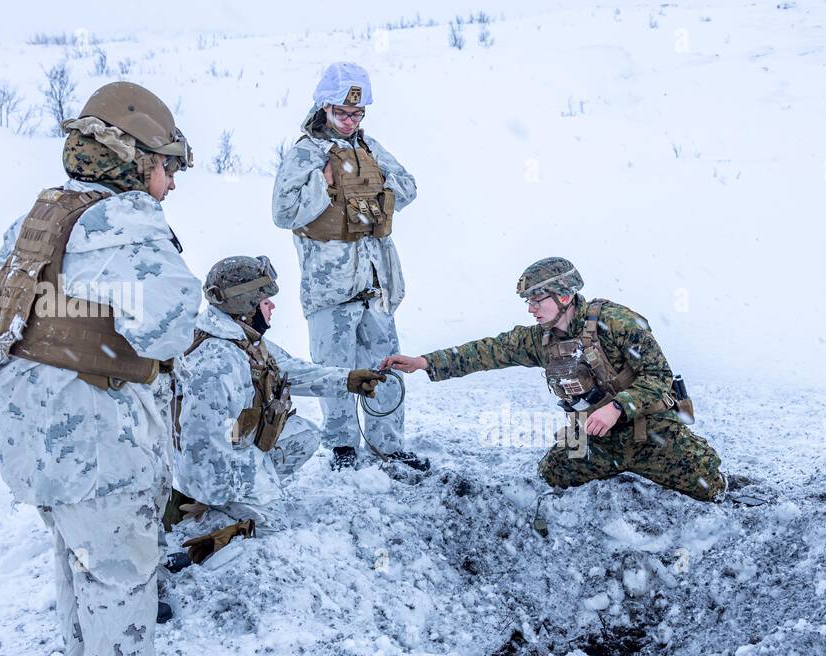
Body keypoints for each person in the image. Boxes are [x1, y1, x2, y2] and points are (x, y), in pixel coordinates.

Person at [0, 81, 198, 656]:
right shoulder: (127, 222)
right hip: (97, 432)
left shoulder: (46, 212)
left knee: (77, 558)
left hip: (34, 426)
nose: (171, 180)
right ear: (135, 157)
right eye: (168, 164)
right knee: (119, 568)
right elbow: (166, 331)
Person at [383, 257, 726, 501]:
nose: (530, 308)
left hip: (651, 435)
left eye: (536, 300)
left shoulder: (619, 322)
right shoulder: (541, 339)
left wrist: (618, 408)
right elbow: (488, 351)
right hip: (595, 439)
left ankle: (687, 464)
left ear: (563, 296)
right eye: (528, 301)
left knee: (709, 485)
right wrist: (425, 362)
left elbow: (658, 378)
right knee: (552, 473)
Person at [169, 255, 384, 561]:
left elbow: (291, 370)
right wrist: (210, 494)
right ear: (245, 305)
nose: (271, 307)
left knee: (305, 435)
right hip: (215, 464)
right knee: (274, 523)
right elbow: (200, 440)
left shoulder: (243, 338)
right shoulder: (217, 362)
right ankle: (216, 528)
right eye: (265, 300)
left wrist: (347, 380)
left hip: (238, 448)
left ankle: (246, 493)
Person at [271, 62, 426, 472]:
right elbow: (283, 212)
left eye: (357, 114)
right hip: (329, 288)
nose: (350, 120)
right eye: (342, 113)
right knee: (334, 370)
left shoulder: (369, 147)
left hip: (376, 283)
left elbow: (408, 186)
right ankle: (342, 446)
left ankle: (388, 445)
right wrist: (325, 183)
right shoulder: (304, 153)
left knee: (386, 368)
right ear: (323, 107)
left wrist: (373, 186)